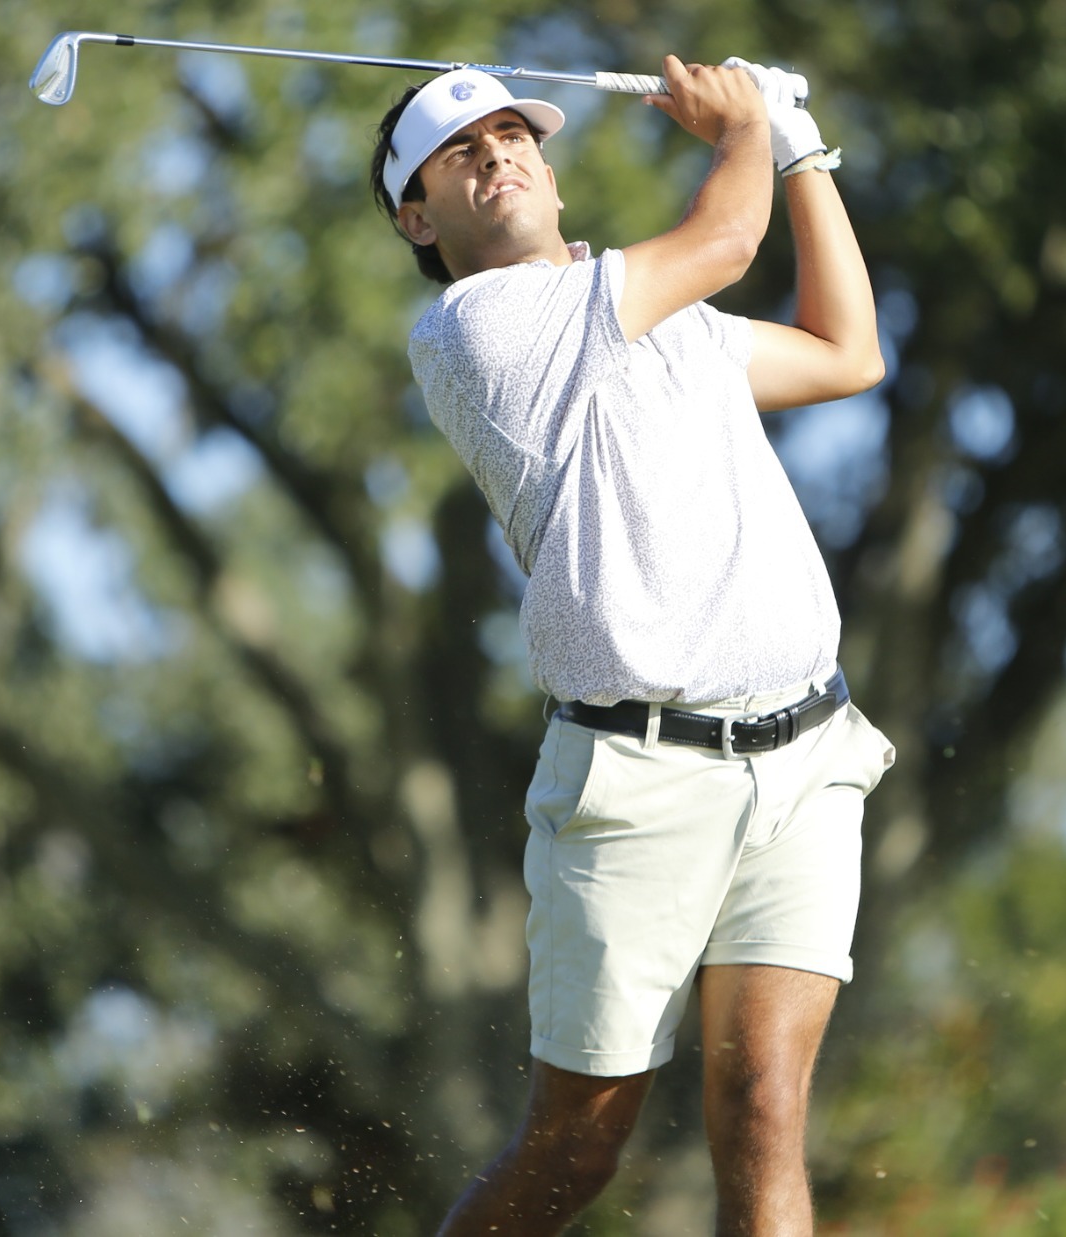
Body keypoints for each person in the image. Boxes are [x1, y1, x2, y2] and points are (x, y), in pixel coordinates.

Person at [368, 53, 895, 1237]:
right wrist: (747, 128)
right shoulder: (476, 329)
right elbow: (725, 239)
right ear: (419, 220)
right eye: (458, 154)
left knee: (763, 1109)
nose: (496, 156)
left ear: (552, 175)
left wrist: (799, 149)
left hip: (807, 758)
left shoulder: (668, 323)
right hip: (635, 781)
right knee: (576, 1150)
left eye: (513, 137)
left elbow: (846, 352)